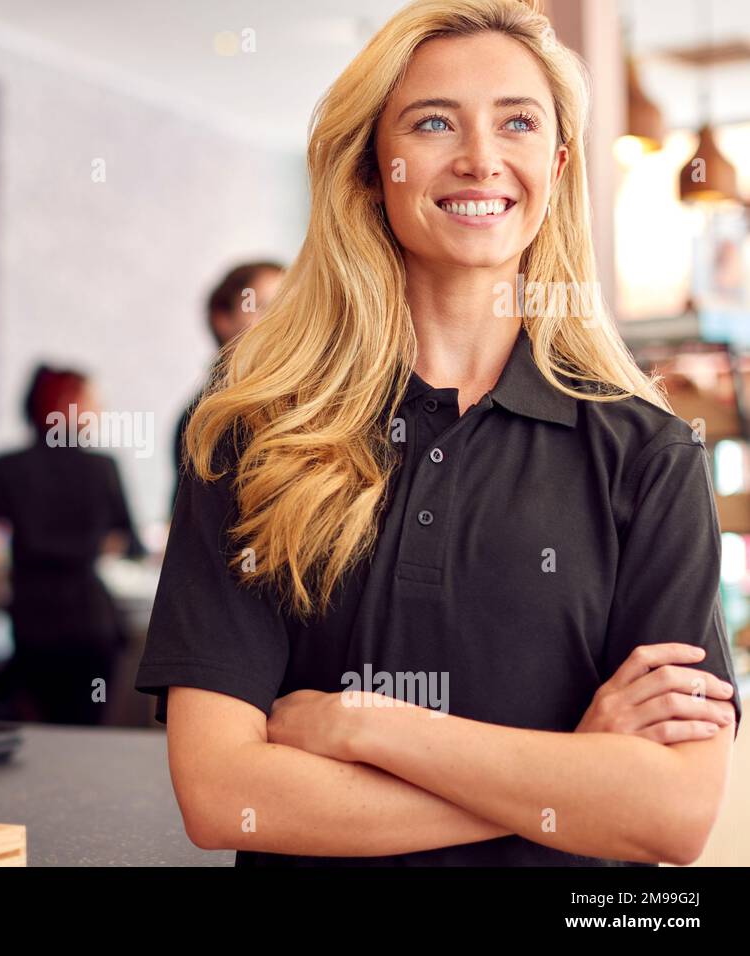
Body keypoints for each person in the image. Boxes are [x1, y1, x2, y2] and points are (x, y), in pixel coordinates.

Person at [136, 0, 742, 866]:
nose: (480, 159)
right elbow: (224, 796)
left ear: (558, 165)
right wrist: (573, 769)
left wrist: (365, 726)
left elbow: (671, 817)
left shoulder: (648, 452)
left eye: (519, 122)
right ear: (372, 165)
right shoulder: (256, 435)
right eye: (432, 122)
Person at [0, 365, 145, 725]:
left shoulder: (7, 466)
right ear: (66, 404)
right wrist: (93, 545)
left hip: (30, 622)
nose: (99, 410)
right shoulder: (102, 467)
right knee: (86, 731)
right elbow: (131, 543)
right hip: (88, 621)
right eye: (91, 401)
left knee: (37, 731)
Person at [171, 262, 284, 516]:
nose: (280, 322)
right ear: (223, 320)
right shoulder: (207, 418)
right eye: (265, 308)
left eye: (289, 308)